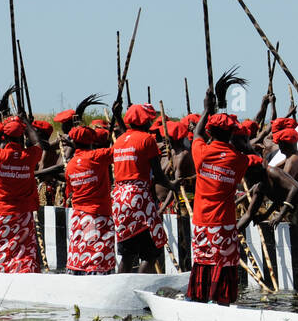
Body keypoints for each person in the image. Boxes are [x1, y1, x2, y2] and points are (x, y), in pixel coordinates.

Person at [187, 98, 257, 305]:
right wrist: (246, 144)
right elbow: (255, 159)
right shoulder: (239, 159)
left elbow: (197, 134)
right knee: (224, 265)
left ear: (210, 132)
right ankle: (221, 301)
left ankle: (199, 298)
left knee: (202, 262)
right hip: (223, 223)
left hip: (201, 221)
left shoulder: (201, 151)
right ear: (231, 134)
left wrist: (206, 109)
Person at [110, 102, 171, 273]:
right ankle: (140, 290)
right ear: (146, 121)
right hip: (139, 200)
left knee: (127, 254)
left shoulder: (120, 141)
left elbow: (131, 140)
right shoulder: (147, 140)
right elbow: (158, 175)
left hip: (119, 199)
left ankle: (122, 293)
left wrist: (117, 116)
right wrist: (172, 185)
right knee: (150, 253)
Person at [0, 116, 45, 273]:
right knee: (25, 250)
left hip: (4, 212)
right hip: (24, 213)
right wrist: (27, 124)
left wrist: (0, 129)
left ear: (5, 137)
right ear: (22, 137)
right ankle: (25, 274)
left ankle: (4, 274)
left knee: (5, 248)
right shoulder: (29, 156)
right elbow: (38, 144)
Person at [63, 125, 116, 275]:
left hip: (80, 217)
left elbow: (70, 190)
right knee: (97, 255)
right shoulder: (98, 156)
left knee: (81, 253)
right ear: (92, 141)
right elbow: (120, 150)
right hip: (98, 217)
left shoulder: (71, 164)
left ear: (74, 143)